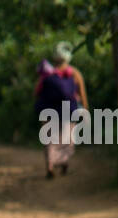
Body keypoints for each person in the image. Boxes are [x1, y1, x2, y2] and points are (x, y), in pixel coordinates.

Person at [35, 42, 89, 179]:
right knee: (67, 137)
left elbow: (36, 93)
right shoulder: (74, 74)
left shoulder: (47, 74)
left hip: (47, 110)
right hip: (68, 110)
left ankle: (50, 165)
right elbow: (82, 94)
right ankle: (64, 161)